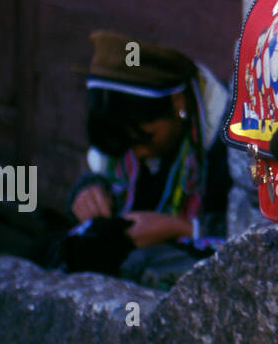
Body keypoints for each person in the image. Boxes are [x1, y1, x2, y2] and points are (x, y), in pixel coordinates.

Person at [64, 30, 243, 287]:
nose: (138, 154)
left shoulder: (231, 144)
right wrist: (88, 190)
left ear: (178, 103)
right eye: (127, 143)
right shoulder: (126, 145)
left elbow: (249, 232)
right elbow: (100, 170)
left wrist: (184, 229)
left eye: (144, 139)